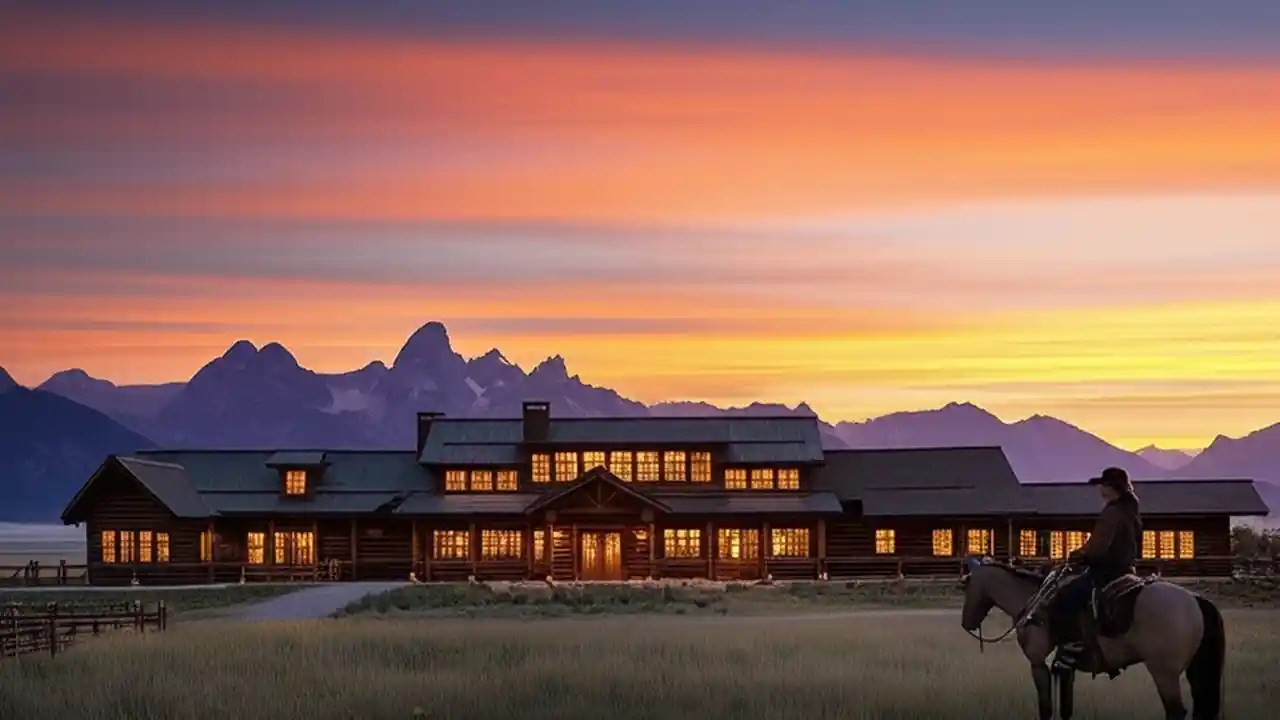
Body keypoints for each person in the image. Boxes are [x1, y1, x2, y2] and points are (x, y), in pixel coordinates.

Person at [1050, 466, 1142, 673]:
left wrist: (1077, 557)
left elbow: (1098, 548)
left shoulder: (1112, 512)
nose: (1101, 489)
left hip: (1106, 572)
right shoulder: (1130, 509)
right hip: (1127, 570)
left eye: (1104, 485)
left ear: (1112, 488)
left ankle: (1072, 648)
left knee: (1065, 597)